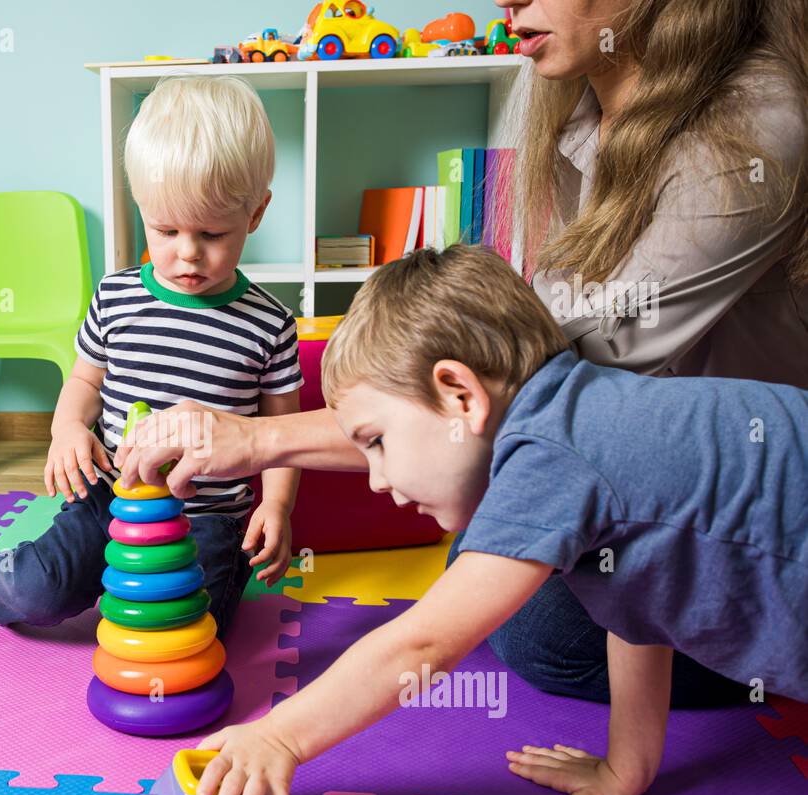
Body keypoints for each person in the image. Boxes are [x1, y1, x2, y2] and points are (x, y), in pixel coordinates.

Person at [118, 0, 808, 706]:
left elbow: (523, 395)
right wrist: (627, 768)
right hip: (640, 473)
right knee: (500, 561)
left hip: (748, 510)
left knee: (527, 623)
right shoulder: (579, 109)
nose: (505, 3)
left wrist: (273, 739)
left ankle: (765, 651)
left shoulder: (746, 136)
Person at [182, 244, 807, 795]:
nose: (373, 479)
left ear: (460, 395)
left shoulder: (552, 453)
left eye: (375, 441)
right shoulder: (586, 416)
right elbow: (639, 612)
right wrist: (625, 770)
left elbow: (423, 642)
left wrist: (279, 737)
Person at [0, 75, 302, 635]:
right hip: (112, 498)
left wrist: (278, 507)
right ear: (142, 209)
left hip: (209, 519)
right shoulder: (116, 296)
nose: (188, 253)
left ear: (256, 214)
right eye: (165, 229)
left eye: (213, 233)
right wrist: (68, 430)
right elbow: (83, 382)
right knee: (38, 590)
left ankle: (117, 588)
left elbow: (282, 432)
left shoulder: (270, 322)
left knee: (192, 627)